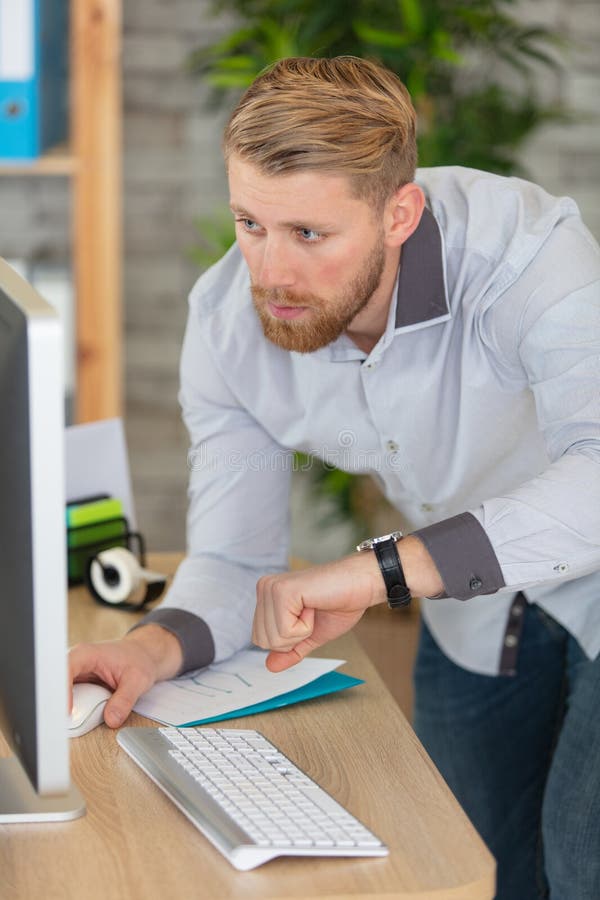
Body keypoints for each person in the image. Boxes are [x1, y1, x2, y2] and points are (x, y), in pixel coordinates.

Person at [69, 56, 600, 899]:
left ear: (400, 213)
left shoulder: (524, 255)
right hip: (476, 611)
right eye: (250, 223)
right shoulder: (225, 328)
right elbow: (236, 561)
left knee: (582, 863)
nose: (269, 274)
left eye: (309, 235)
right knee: (476, 868)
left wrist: (379, 569)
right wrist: (146, 650)